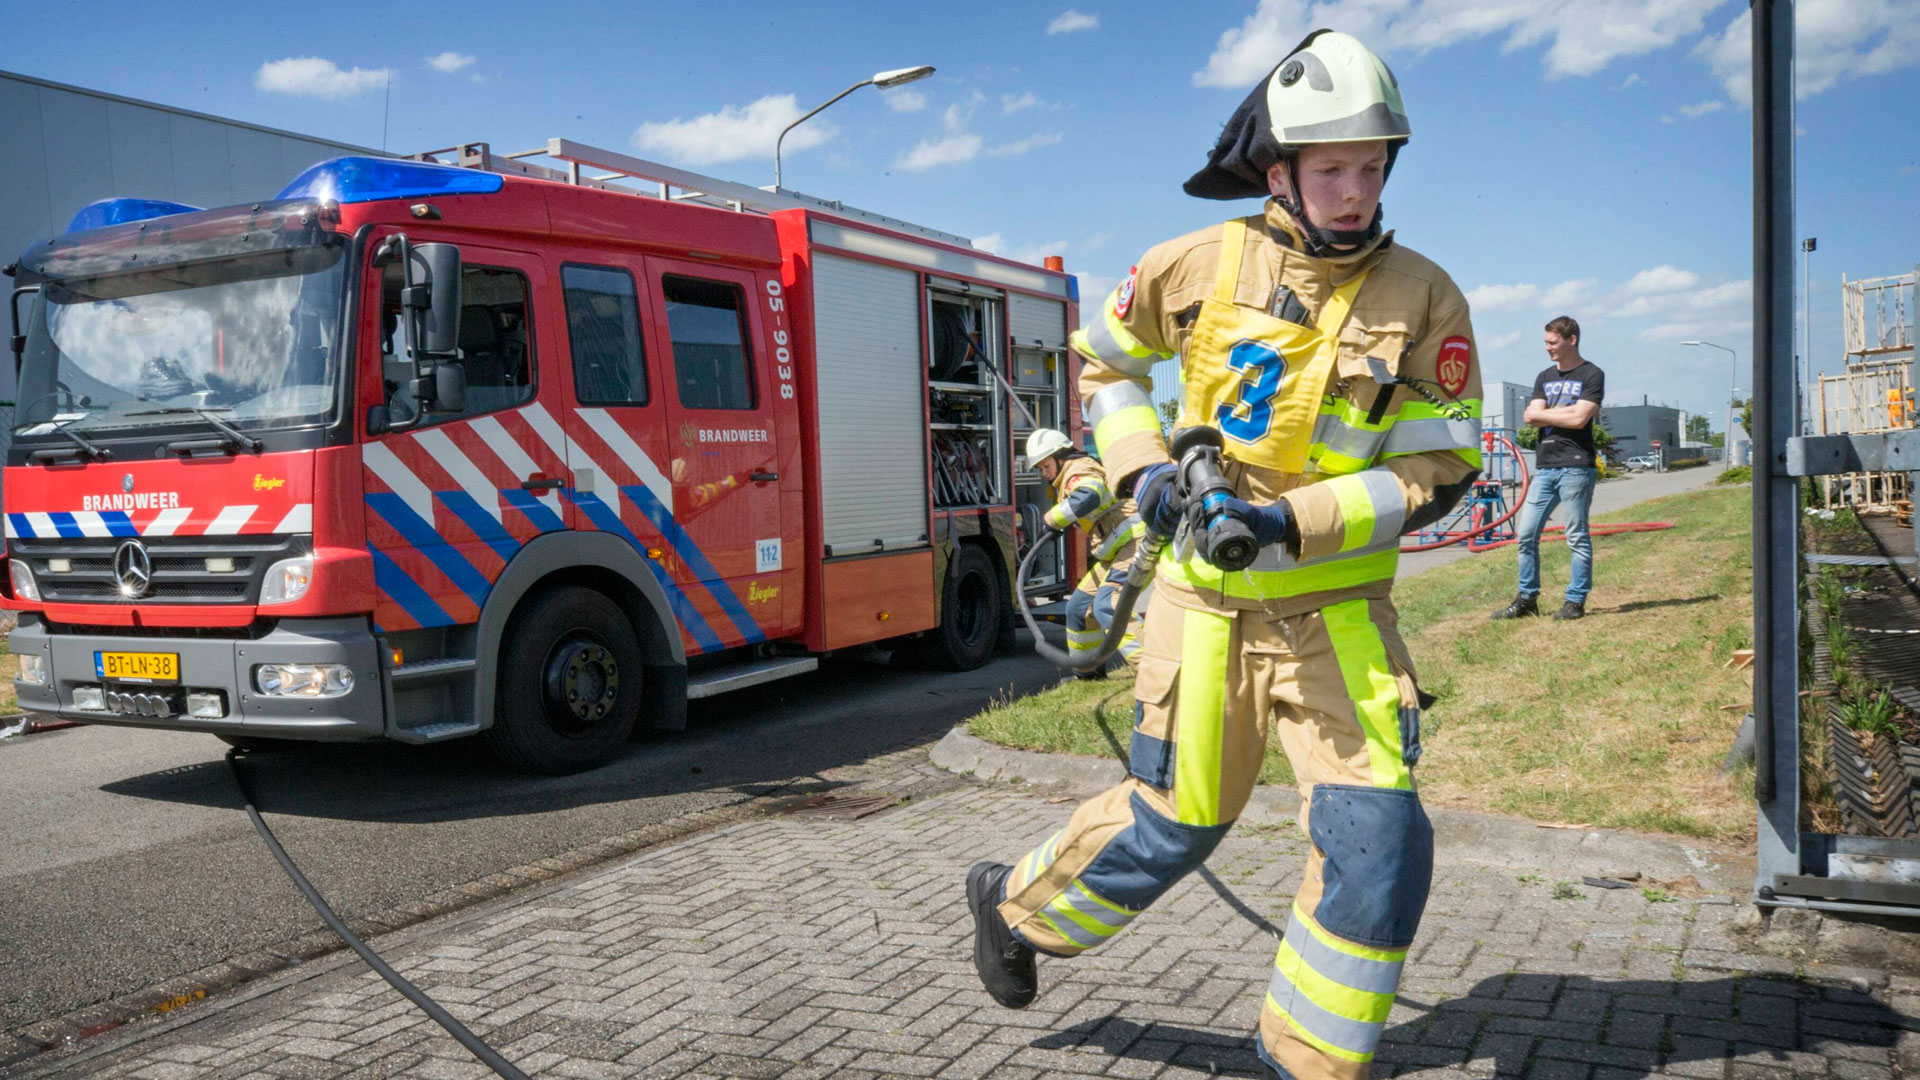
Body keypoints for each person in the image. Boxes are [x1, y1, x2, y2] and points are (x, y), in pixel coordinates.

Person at [966, 30, 1483, 1080]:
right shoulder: (1192, 265)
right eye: (1332, 167)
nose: (1355, 190)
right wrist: (1145, 473)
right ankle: (1014, 911)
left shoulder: (1425, 297)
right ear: (1276, 169)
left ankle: (1304, 1063)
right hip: (1202, 608)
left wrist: (1302, 522)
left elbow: (1442, 467)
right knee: (1176, 827)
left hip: (1337, 618)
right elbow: (1104, 369)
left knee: (1382, 852)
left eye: (1373, 166)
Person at [1493, 316, 1604, 621]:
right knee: (1526, 534)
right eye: (1546, 342)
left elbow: (1580, 420)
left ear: (1572, 340)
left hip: (1576, 466)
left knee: (1576, 536)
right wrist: (1566, 411)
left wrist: (1549, 414)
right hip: (1545, 467)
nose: (1548, 348)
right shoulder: (1544, 376)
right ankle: (1527, 599)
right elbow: (1530, 417)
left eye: (1553, 342)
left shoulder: (1592, 374)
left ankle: (1575, 601)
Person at [1026, 427, 1147, 675]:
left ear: (1061, 456)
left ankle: (1155, 672)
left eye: (1046, 466)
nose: (1044, 474)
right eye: (1040, 469)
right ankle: (1087, 674)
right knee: (1078, 608)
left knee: (1107, 605)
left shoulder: (1079, 469)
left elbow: (1087, 497)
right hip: (1117, 547)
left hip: (1136, 541)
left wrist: (1052, 519)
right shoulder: (1070, 476)